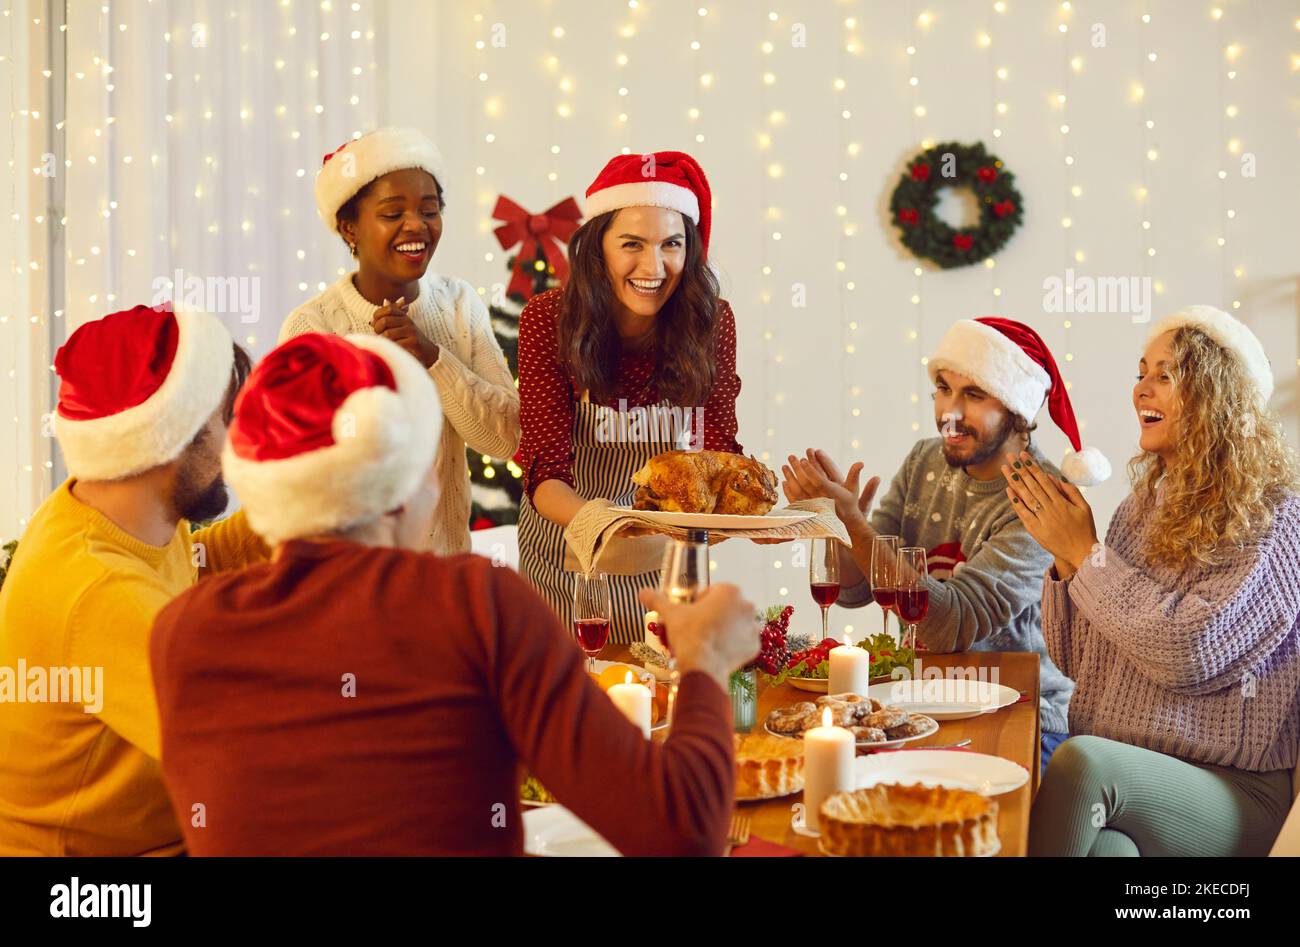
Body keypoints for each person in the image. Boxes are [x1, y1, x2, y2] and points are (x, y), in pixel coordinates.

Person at [150, 332, 757, 856]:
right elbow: (681, 831)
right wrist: (704, 659)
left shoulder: (182, 629)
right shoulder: (477, 605)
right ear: (404, 484)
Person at [1024, 306, 1299, 856]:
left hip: (1231, 788)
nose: (1141, 389)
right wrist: (1065, 560)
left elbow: (1189, 649)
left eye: (1165, 375)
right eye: (1141, 372)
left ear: (1216, 396)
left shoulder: (1275, 519)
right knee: (1107, 855)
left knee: (1080, 762)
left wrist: (1086, 552)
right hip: (1137, 779)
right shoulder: (1140, 506)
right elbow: (1080, 659)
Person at [783, 317, 1111, 770]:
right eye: (943, 388)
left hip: (1024, 713)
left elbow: (950, 627)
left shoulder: (1043, 500)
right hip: (923, 697)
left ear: (1018, 410)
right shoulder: (924, 461)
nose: (949, 413)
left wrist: (857, 526)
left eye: (973, 394)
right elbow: (861, 590)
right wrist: (842, 530)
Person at [0, 303, 267, 855]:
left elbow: (196, 563)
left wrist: (308, 503)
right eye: (227, 420)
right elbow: (246, 753)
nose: (239, 443)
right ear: (174, 436)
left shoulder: (109, 510)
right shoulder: (100, 591)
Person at [517, 150, 743, 642]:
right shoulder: (548, 320)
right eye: (632, 244)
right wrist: (610, 523)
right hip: (567, 569)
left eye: (672, 244)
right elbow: (544, 473)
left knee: (663, 707)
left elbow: (718, 452)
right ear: (598, 249)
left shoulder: (710, 322)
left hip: (665, 575)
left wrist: (740, 511)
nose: (654, 266)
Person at [279, 126, 519, 555]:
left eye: (429, 210)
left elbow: (504, 438)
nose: (416, 226)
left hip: (445, 580)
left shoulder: (460, 304)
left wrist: (433, 358)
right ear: (349, 228)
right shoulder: (312, 328)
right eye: (392, 214)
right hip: (354, 583)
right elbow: (300, 476)